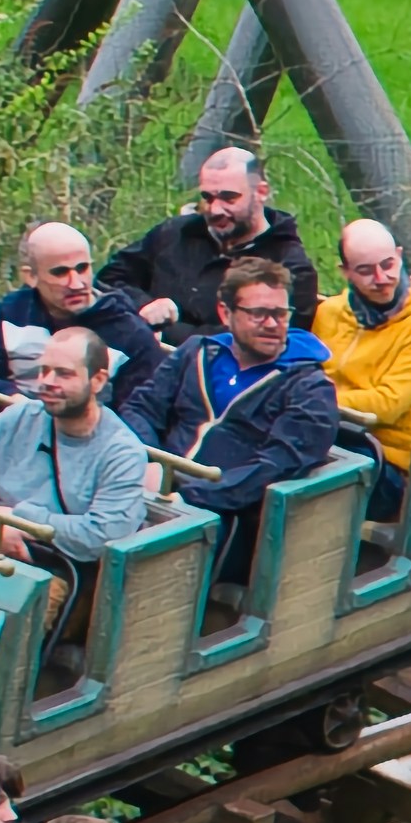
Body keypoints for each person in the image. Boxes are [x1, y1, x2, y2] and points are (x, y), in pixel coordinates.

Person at [143, 253, 338, 617]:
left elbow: (273, 468)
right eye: (258, 314)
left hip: (224, 516)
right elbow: (144, 407)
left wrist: (182, 491)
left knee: (145, 556)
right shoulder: (198, 353)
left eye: (280, 314)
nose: (272, 324)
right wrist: (140, 461)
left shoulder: (308, 389)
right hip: (155, 482)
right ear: (225, 313)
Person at [0, 322, 162, 574]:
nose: (48, 382)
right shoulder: (20, 416)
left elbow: (100, 536)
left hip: (54, 565)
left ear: (97, 380)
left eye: (64, 373)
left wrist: (20, 517)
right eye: (44, 370)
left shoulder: (121, 452)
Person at [100, 145, 318, 346]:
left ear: (260, 192)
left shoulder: (289, 266)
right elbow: (108, 280)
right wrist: (145, 305)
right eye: (208, 198)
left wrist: (167, 332)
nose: (215, 210)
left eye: (228, 198)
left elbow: (260, 341)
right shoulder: (175, 234)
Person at [316, 216, 411, 519]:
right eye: (366, 271)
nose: (381, 278)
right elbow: (308, 374)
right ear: (346, 272)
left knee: (302, 468)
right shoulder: (330, 313)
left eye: (388, 265)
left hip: (385, 461)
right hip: (323, 430)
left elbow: (387, 405)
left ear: (400, 257)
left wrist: (315, 401)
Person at [0, 218, 160, 388]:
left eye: (82, 268)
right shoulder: (12, 313)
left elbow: (142, 408)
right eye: (60, 272)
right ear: (31, 276)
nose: (76, 284)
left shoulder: (127, 331)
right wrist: (14, 399)